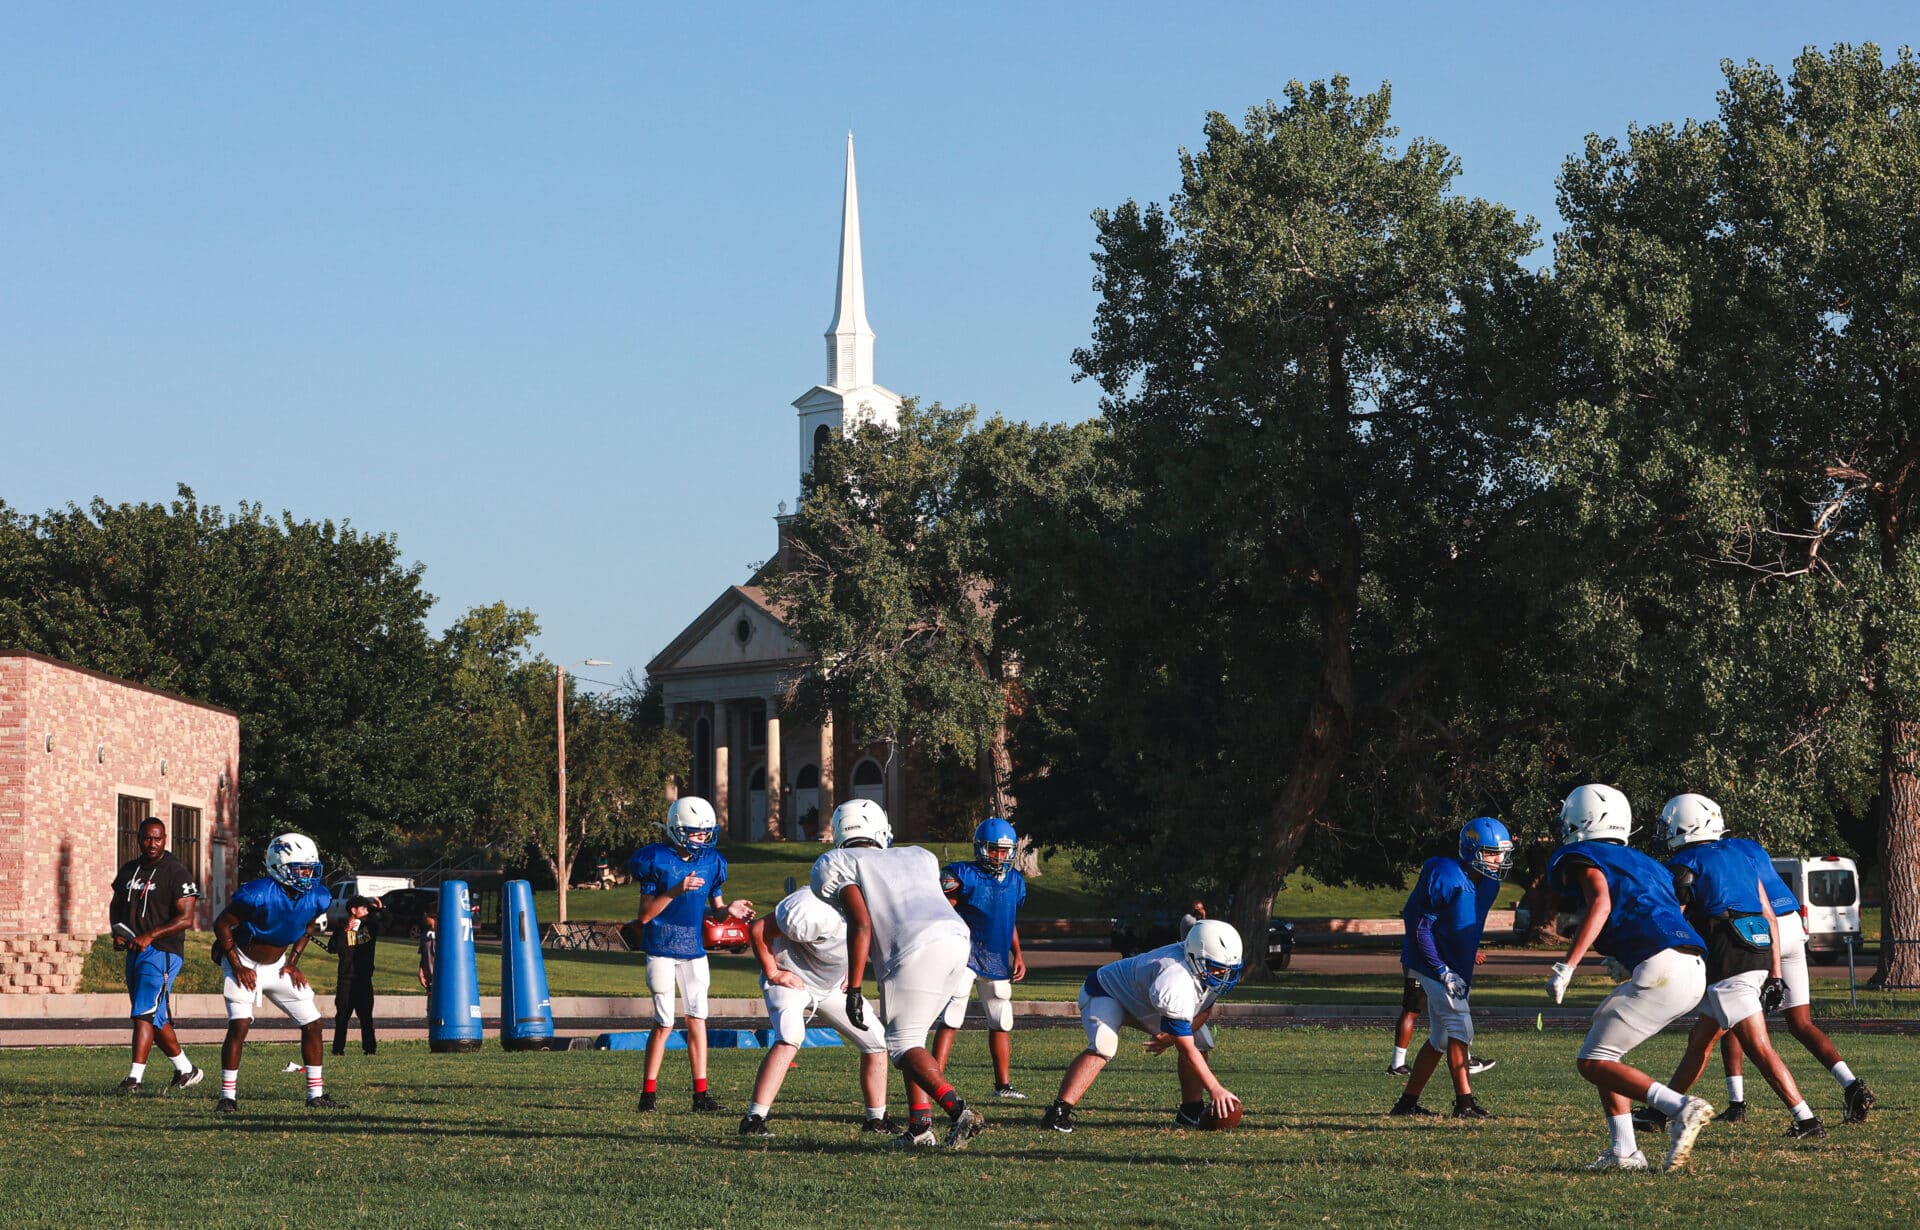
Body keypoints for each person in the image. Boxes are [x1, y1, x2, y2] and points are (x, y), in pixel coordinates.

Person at [1617, 794, 1823, 1140]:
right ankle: (1658, 1112)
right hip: (1754, 952)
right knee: (1699, 1042)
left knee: (1758, 1046)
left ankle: (1806, 1120)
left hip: (1729, 962)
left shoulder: (1685, 865)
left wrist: (1635, 952)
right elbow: (1769, 916)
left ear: (1685, 825)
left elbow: (1670, 918)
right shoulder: (1739, 856)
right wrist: (1774, 973)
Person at [1545, 784, 1710, 1171]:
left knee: (1592, 1061)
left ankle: (1681, 1107)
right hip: (1691, 964)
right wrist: (1631, 956)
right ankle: (1624, 1152)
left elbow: (1601, 901)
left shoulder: (1583, 856)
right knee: (1604, 1043)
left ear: (1580, 818)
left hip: (1663, 967)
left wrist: (1567, 966)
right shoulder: (1647, 862)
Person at [810, 799, 986, 1150]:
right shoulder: (919, 855)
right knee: (912, 1038)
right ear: (881, 830)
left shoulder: (839, 863)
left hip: (913, 950)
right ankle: (921, 1128)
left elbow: (861, 924)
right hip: (957, 939)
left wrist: (854, 988)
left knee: (902, 1044)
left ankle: (958, 1110)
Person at [1706, 827, 1874, 1124]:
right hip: (1792, 923)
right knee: (1801, 1023)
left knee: (1732, 1019)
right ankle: (1851, 1084)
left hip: (1759, 926)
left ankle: (1737, 1104)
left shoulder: (1715, 855)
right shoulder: (1750, 845)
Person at [1040, 919, 1245, 1135]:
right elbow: (1186, 1047)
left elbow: (1204, 1009)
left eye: (1228, 969)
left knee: (1201, 1039)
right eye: (1217, 968)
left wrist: (1173, 1035)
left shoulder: (1203, 966)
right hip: (1108, 992)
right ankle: (1057, 1112)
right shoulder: (1175, 978)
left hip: (1142, 1001)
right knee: (1104, 1045)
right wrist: (1215, 1088)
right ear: (1195, 957)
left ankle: (1190, 1111)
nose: (1223, 975)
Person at [737, 887, 896, 1138]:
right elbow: (758, 929)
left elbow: (859, 942)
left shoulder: (878, 905)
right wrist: (774, 973)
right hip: (791, 978)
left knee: (876, 1041)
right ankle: (754, 1119)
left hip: (831, 986)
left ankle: (876, 1119)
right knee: (790, 1036)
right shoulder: (814, 905)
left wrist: (851, 976)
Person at [629, 796, 753, 1113]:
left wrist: (731, 910)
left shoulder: (712, 861)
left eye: (704, 833)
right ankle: (648, 1095)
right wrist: (675, 890)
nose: (701, 838)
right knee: (664, 1022)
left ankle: (701, 1095)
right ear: (677, 829)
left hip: (694, 950)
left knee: (698, 1019)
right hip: (661, 948)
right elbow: (644, 915)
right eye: (695, 832)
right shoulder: (655, 859)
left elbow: (718, 909)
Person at [1390, 817, 1511, 1120]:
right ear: (1471, 851)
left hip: (1455, 963)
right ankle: (1464, 1103)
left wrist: (1465, 955)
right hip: (1429, 961)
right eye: (1491, 853)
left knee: (1441, 1038)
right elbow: (1419, 929)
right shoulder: (1445, 873)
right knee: (1460, 1027)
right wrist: (1441, 969)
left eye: (1502, 853)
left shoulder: (1490, 883)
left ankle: (1407, 1104)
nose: (1499, 860)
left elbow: (1463, 923)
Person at [209, 832, 339, 1112]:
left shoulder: (317, 896)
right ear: (279, 865)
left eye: (310, 869)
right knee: (239, 1026)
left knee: (313, 1022)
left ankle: (315, 1094)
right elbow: (221, 925)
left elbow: (308, 928)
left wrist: (293, 961)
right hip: (244, 959)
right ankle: (227, 1097)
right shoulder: (256, 893)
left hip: (279, 966)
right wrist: (237, 964)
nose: (307, 875)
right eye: (301, 868)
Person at [931, 817, 1029, 1099]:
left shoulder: (1015, 881)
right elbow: (943, 913)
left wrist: (1018, 954)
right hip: (966, 956)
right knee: (952, 1016)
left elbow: (1009, 919)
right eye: (994, 850)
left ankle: (1003, 1086)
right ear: (980, 848)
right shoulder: (962, 874)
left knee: (1001, 1018)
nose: (999, 856)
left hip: (997, 957)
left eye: (1003, 850)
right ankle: (935, 1082)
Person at [109, 817, 204, 1094]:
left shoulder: (176, 872)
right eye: (147, 838)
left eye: (158, 838)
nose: (152, 843)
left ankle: (134, 1078)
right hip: (135, 950)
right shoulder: (129, 870)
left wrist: (151, 935)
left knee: (143, 1013)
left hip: (162, 952)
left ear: (166, 839)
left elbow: (186, 918)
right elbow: (116, 904)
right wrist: (117, 931)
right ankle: (186, 1069)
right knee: (155, 1017)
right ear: (138, 839)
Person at [1388, 967, 1496, 1078]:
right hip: (1424, 964)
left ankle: (1465, 1059)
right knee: (1413, 1010)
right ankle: (1398, 1064)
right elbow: (1428, 949)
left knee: (1449, 1010)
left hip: (1432, 965)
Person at [327, 896, 379, 1055]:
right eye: (363, 908)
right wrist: (344, 931)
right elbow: (332, 948)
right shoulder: (342, 929)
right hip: (346, 981)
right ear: (353, 910)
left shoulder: (369, 927)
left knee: (366, 1017)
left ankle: (370, 1049)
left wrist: (377, 908)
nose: (366, 911)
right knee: (342, 1016)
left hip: (364, 979)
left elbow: (385, 921)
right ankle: (338, 1049)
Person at [417, 905, 436, 990]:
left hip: (442, 979)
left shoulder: (445, 936)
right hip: (429, 980)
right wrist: (421, 972)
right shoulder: (424, 936)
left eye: (428, 914)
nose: (425, 916)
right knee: (430, 1002)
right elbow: (423, 957)